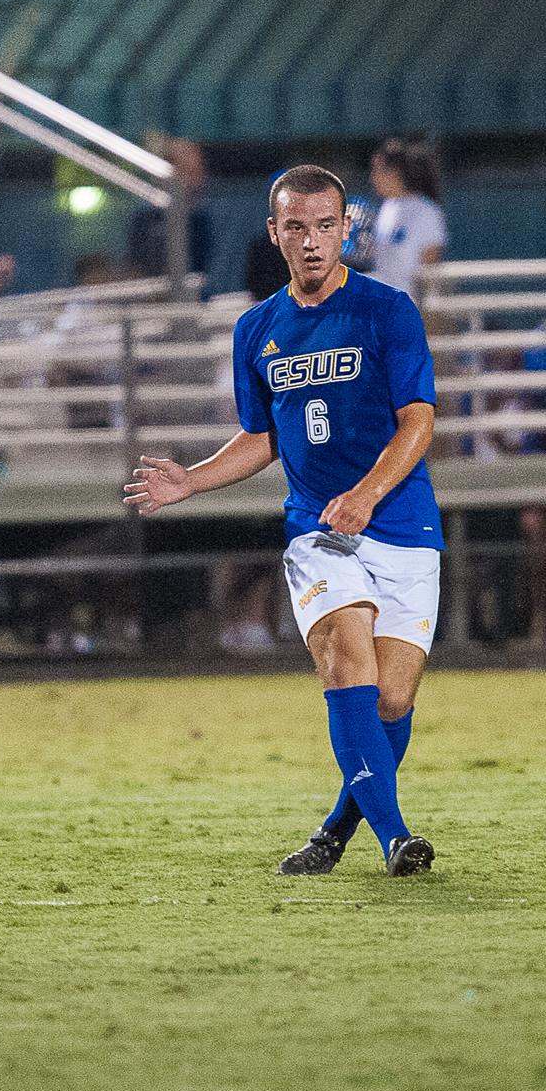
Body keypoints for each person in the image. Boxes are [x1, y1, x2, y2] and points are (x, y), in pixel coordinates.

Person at [124, 165, 439, 878]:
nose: (312, 242)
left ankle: (332, 834)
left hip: (402, 524)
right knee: (345, 660)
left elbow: (419, 420)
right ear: (275, 234)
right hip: (316, 530)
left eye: (326, 226)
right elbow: (263, 436)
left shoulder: (388, 311)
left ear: (345, 230)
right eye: (296, 228)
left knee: (391, 698)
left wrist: (367, 492)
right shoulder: (256, 330)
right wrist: (192, 480)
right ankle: (396, 841)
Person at [367, 136, 447, 297]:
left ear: (395, 173)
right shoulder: (387, 207)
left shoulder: (426, 211)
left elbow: (430, 264)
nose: (372, 177)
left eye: (377, 170)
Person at [125, 136, 212, 282]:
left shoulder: (203, 216)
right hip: (155, 293)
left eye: (196, 171)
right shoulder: (146, 216)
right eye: (185, 171)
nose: (192, 179)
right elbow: (136, 266)